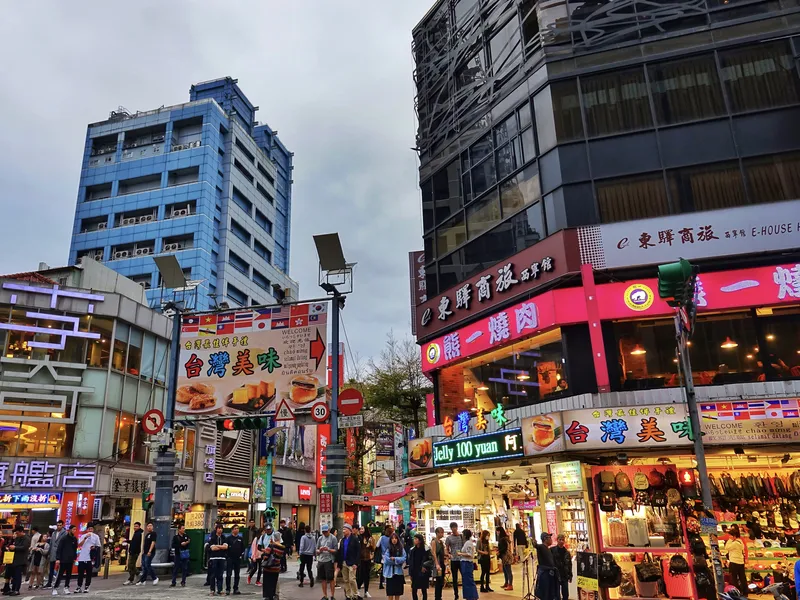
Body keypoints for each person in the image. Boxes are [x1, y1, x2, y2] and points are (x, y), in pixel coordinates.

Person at [51, 525, 78, 596]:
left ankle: (66, 587)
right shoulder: (64, 538)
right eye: (73, 529)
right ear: (70, 530)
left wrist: (74, 558)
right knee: (60, 575)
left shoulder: (75, 539)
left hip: (70, 560)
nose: (74, 531)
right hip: (63, 560)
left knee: (69, 575)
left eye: (75, 529)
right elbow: (59, 549)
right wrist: (58, 558)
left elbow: (75, 549)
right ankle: (55, 588)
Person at [75, 523, 101, 594]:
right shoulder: (83, 536)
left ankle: (87, 586)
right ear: (87, 529)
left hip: (90, 558)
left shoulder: (96, 536)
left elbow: (98, 546)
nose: (90, 530)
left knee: (89, 573)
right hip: (82, 557)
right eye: (89, 529)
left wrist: (94, 548)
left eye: (91, 529)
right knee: (80, 573)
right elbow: (79, 545)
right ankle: (79, 586)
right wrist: (85, 538)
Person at [337, 524, 360, 600]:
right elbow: (340, 551)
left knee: (352, 579)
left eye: (345, 529)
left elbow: (358, 552)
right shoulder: (342, 540)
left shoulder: (355, 539)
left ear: (349, 530)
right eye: (343, 529)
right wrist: (339, 564)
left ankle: (355, 594)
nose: (343, 531)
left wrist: (356, 563)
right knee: (346, 580)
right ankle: (348, 595)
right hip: (344, 562)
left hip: (352, 562)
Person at [533, 532, 559, 600]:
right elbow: (536, 546)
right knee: (546, 592)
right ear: (545, 539)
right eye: (550, 538)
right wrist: (534, 542)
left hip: (548, 573)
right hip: (545, 574)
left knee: (549, 592)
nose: (551, 539)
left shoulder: (547, 548)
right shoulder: (542, 547)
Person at [7, 525, 30, 596]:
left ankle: (17, 590)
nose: (16, 534)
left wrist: (15, 547)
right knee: (13, 575)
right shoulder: (17, 538)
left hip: (21, 560)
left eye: (17, 533)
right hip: (14, 559)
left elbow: (24, 547)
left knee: (18, 575)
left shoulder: (26, 538)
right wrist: (11, 547)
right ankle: (13, 589)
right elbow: (14, 545)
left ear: (21, 532)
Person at [316, 523, 338, 600]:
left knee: (331, 578)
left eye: (326, 531)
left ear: (329, 530)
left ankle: (332, 595)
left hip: (329, 560)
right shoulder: (320, 538)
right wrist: (320, 550)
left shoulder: (333, 538)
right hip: (321, 560)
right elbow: (316, 550)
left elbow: (336, 550)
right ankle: (325, 595)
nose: (324, 533)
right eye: (323, 532)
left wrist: (328, 549)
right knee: (323, 579)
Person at [382, 532, 406, 600]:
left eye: (395, 538)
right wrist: (397, 562)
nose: (394, 540)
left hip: (398, 573)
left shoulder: (401, 549)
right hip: (390, 574)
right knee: (390, 593)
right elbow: (386, 560)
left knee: (397, 592)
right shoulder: (388, 549)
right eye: (392, 538)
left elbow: (404, 558)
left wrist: (395, 559)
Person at [261, 530, 284, 600]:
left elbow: (266, 555)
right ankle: (273, 595)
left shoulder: (271, 545)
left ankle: (268, 596)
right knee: (274, 583)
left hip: (268, 568)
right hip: (276, 568)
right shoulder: (282, 547)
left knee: (267, 583)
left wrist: (264, 554)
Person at [408, 534, 433, 600]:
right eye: (414, 539)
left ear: (420, 540)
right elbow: (410, 562)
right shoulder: (412, 549)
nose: (415, 540)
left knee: (424, 589)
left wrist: (424, 566)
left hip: (423, 571)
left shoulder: (426, 548)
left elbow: (430, 559)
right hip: (415, 571)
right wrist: (410, 573)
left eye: (416, 539)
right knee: (414, 589)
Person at [725, 525, 747, 597]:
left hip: (734, 562)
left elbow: (726, 547)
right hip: (740, 562)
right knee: (742, 578)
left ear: (734, 536)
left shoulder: (734, 543)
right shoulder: (740, 541)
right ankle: (745, 592)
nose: (729, 537)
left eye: (730, 536)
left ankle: (738, 591)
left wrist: (730, 540)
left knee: (734, 578)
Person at [207, 523, 229, 597]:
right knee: (213, 575)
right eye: (218, 528)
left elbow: (226, 547)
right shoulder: (212, 537)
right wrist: (221, 546)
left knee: (220, 575)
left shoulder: (224, 537)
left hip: (222, 558)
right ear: (216, 529)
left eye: (221, 528)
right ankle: (212, 590)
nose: (220, 529)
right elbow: (213, 548)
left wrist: (218, 546)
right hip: (214, 558)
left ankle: (220, 590)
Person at [43, 520, 65, 589]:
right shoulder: (53, 533)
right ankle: (49, 582)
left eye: (60, 525)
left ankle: (57, 583)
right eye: (58, 525)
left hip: (60, 553)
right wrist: (49, 553)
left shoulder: (65, 533)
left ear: (62, 525)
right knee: (51, 568)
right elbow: (51, 543)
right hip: (52, 552)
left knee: (59, 569)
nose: (59, 526)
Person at [457, 530, 478, 600]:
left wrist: (460, 554)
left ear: (465, 535)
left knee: (468, 580)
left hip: (467, 563)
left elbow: (469, 554)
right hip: (465, 563)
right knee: (466, 580)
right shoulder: (467, 543)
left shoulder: (468, 543)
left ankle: (472, 596)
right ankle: (469, 596)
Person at [445, 522, 464, 600]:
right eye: (452, 528)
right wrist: (448, 555)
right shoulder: (449, 538)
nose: (454, 529)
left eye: (455, 527)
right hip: (454, 560)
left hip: (462, 559)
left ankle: (465, 592)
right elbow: (446, 548)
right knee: (454, 578)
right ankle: (456, 595)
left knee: (464, 576)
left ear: (457, 527)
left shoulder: (462, 537)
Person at [225, 524, 245, 595]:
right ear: (232, 530)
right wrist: (227, 556)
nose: (237, 530)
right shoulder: (228, 538)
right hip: (230, 558)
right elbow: (225, 548)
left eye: (237, 528)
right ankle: (228, 589)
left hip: (237, 558)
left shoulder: (240, 538)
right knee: (228, 574)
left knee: (237, 574)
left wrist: (241, 555)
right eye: (235, 528)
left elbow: (243, 548)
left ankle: (236, 588)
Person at [551, 534, 572, 600]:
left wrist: (570, 575)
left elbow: (569, 564)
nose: (561, 541)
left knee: (565, 593)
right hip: (556, 574)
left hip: (564, 574)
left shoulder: (567, 552)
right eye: (560, 539)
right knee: (556, 593)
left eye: (563, 540)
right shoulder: (552, 550)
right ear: (557, 540)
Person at [357, 526, 375, 598]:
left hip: (367, 558)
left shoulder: (370, 538)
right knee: (360, 575)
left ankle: (366, 591)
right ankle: (357, 589)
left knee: (367, 575)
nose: (361, 530)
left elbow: (373, 549)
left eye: (362, 529)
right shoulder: (358, 538)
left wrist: (370, 545)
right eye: (360, 529)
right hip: (360, 559)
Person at [171, 524, 190, 588]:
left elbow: (189, 543)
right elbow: (173, 545)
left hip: (185, 554)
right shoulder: (176, 537)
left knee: (184, 568)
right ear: (179, 529)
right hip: (178, 554)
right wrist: (180, 544)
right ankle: (173, 582)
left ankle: (183, 581)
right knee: (176, 568)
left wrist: (186, 543)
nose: (183, 529)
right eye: (182, 528)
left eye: (184, 528)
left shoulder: (186, 536)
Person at [430, 527, 446, 600]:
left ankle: (440, 596)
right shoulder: (434, 541)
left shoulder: (441, 542)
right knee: (438, 581)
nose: (442, 534)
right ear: (437, 533)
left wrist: (447, 555)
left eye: (443, 532)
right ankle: (437, 597)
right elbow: (433, 553)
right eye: (441, 532)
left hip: (442, 562)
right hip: (438, 563)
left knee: (441, 580)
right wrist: (436, 563)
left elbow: (443, 552)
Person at [377, 525, 392, 590]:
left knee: (383, 570)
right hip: (391, 556)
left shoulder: (382, 538)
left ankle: (381, 583)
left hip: (383, 556)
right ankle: (389, 583)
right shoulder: (392, 538)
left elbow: (377, 545)